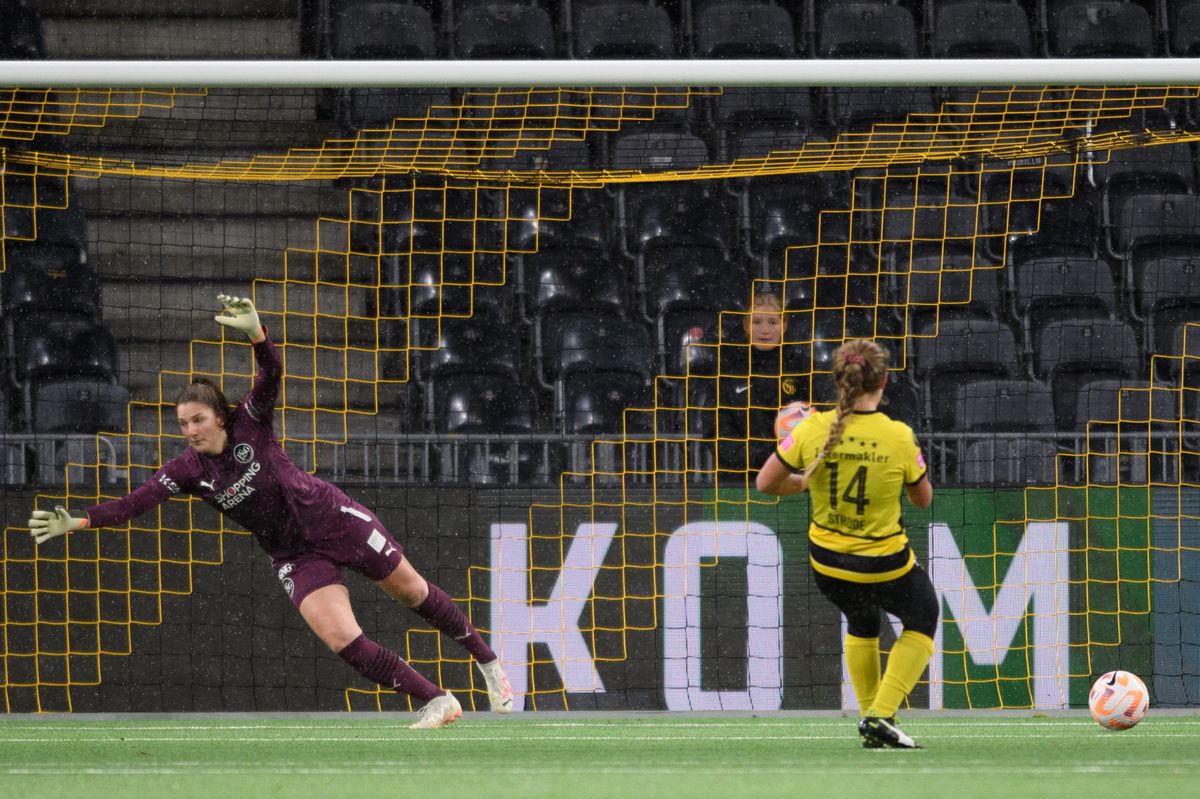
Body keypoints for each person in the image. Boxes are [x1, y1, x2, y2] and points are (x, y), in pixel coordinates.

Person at [28, 294, 513, 729]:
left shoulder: (251, 423)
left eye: (197, 420)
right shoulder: (187, 469)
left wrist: (258, 335)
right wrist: (82, 519)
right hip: (291, 554)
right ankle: (437, 700)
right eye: (182, 424)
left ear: (219, 416)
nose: (190, 430)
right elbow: (137, 502)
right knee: (343, 639)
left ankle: (488, 664)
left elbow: (272, 374)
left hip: (334, 520)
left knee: (412, 593)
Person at [755, 338, 935, 749]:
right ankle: (880, 713)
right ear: (884, 381)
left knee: (862, 619)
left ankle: (874, 722)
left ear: (838, 380)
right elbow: (922, 499)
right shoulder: (898, 435)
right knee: (923, 615)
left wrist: (805, 481)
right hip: (883, 564)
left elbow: (766, 483)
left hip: (829, 566)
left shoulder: (812, 429)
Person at [716, 292, 807, 481]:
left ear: (784, 326)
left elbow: (819, 422)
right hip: (740, 481)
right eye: (757, 322)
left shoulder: (804, 369)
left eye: (772, 323)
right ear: (746, 326)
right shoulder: (728, 370)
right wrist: (762, 457)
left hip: (792, 476)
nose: (764, 330)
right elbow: (718, 434)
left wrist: (787, 456)